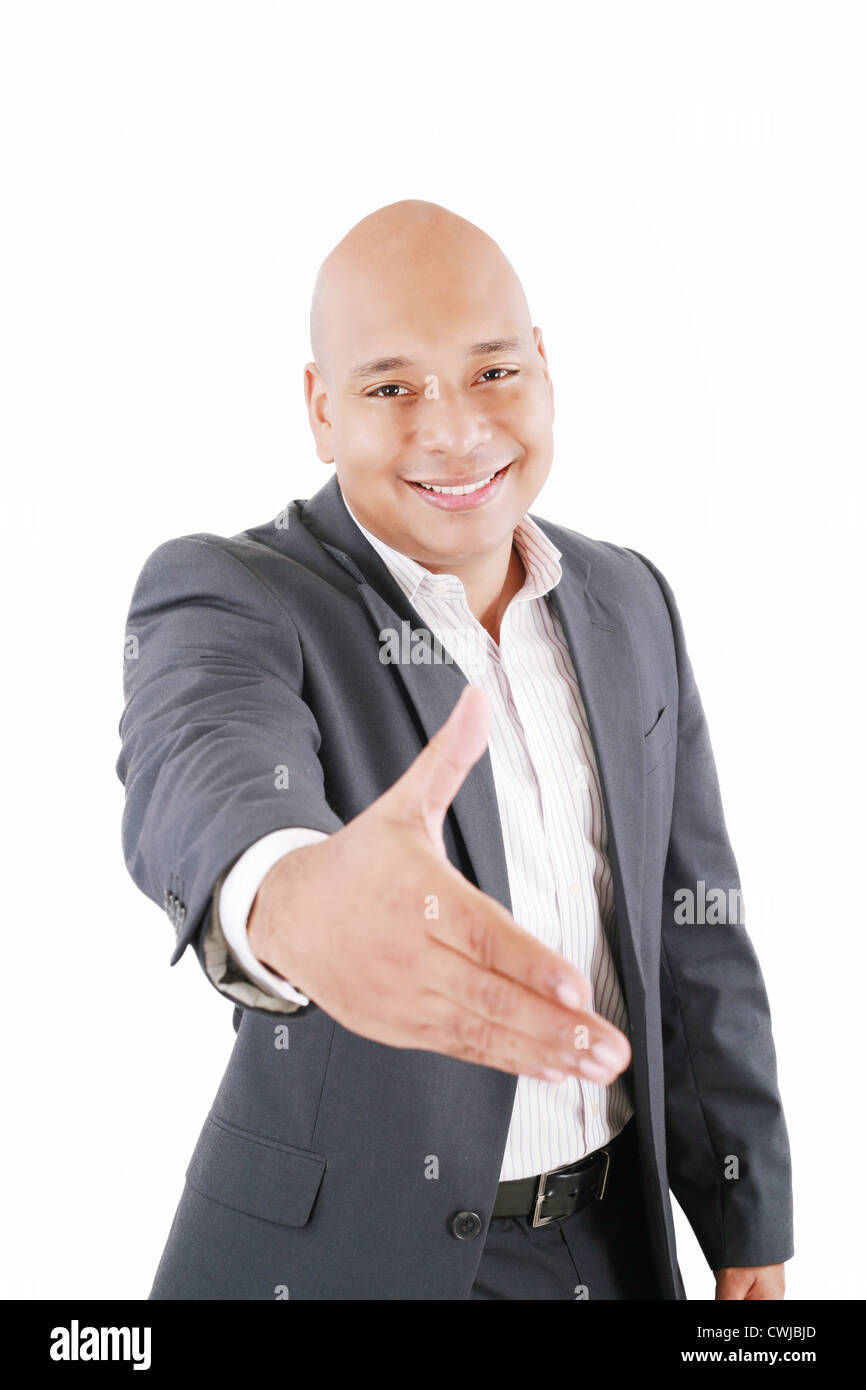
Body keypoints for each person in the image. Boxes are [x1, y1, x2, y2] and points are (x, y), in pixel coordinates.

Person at [117, 200, 793, 1300]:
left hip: (608, 1250)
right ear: (320, 410)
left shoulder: (629, 598)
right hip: (342, 1265)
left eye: (491, 373)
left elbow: (693, 934)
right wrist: (288, 895)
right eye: (391, 388)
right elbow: (201, 755)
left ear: (544, 367)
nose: (453, 429)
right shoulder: (233, 593)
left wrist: (746, 1224)